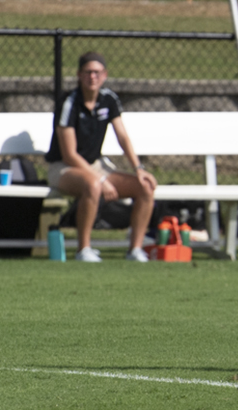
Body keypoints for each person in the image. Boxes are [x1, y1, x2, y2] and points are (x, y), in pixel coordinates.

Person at [44, 52, 158, 262]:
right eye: (87, 72)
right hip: (63, 168)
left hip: (95, 167)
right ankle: (83, 250)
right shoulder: (69, 102)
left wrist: (138, 168)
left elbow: (122, 136)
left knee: (146, 186)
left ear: (104, 75)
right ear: (79, 75)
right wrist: (101, 179)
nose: (92, 77)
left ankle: (135, 249)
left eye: (97, 72)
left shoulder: (109, 99)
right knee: (93, 186)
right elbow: (69, 155)